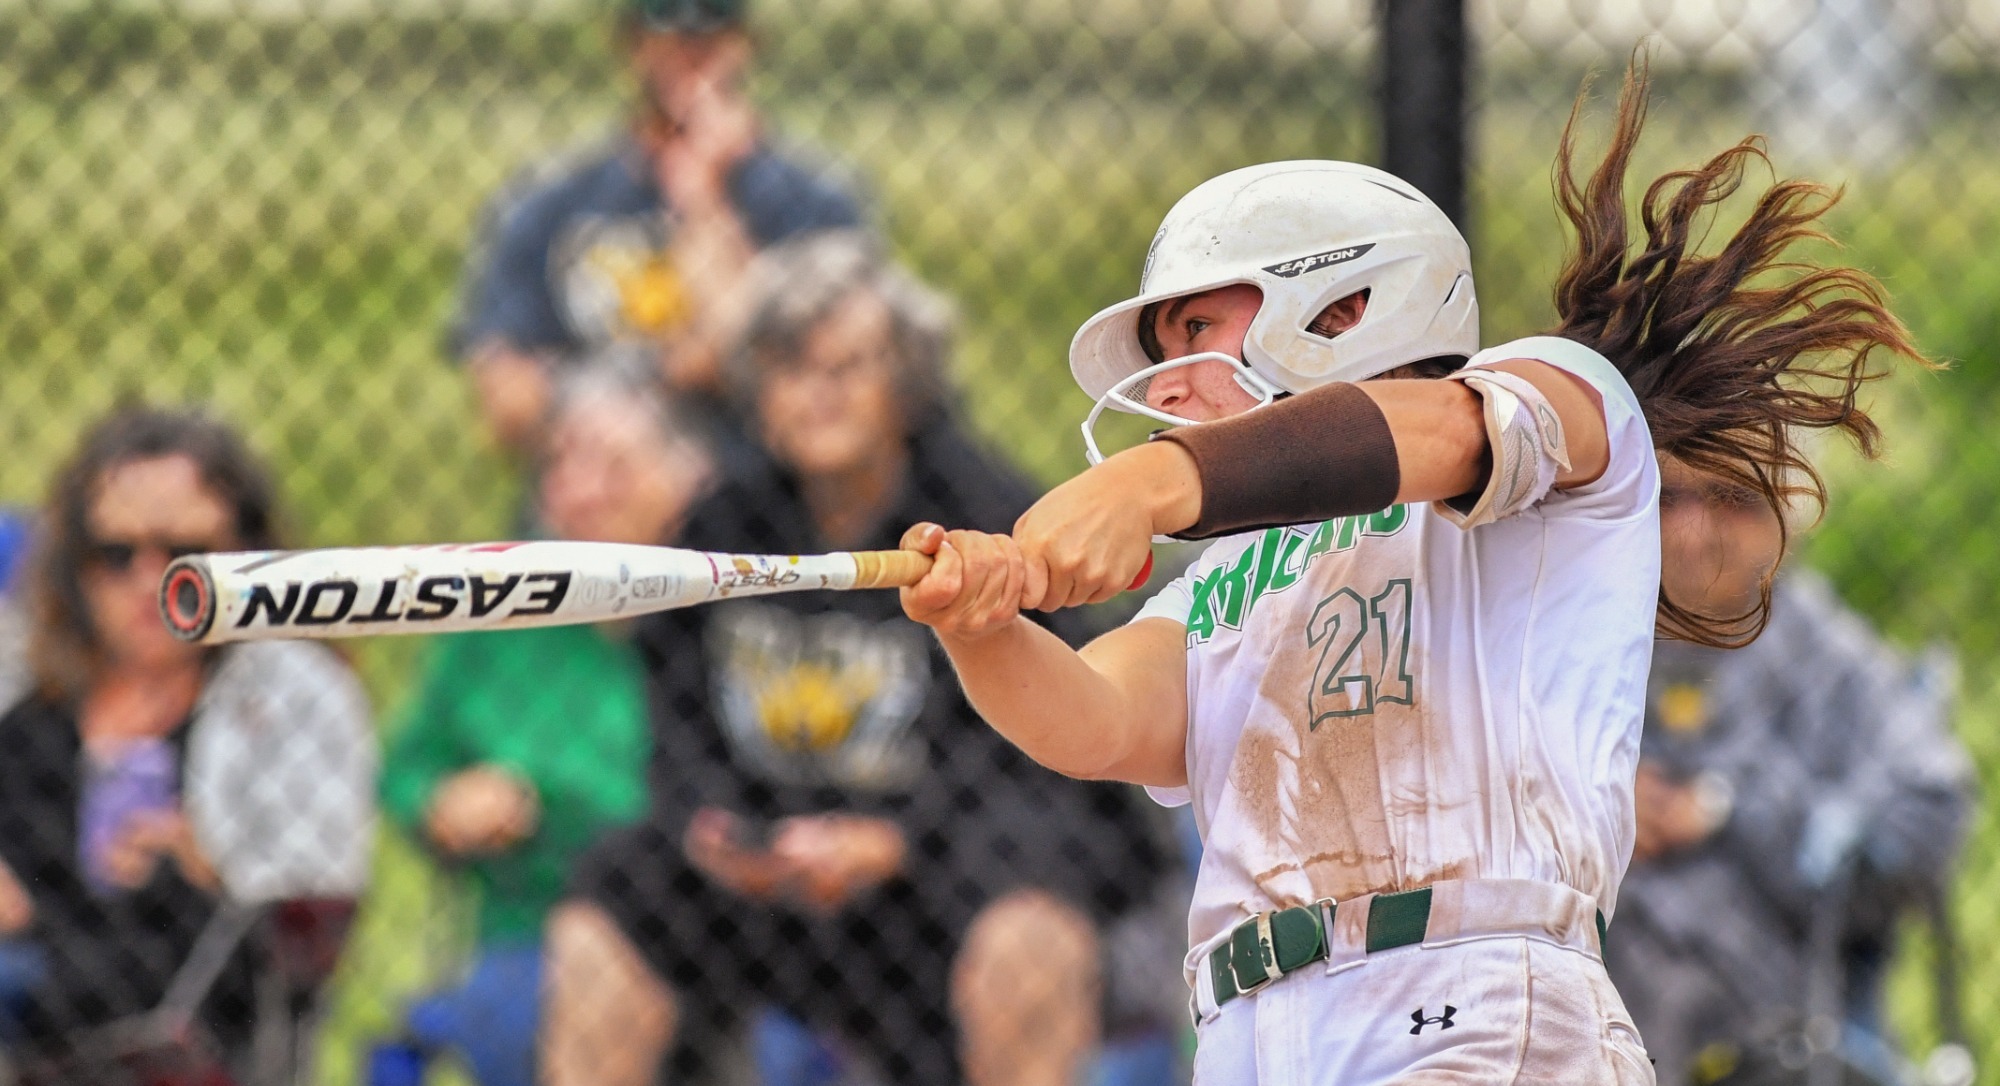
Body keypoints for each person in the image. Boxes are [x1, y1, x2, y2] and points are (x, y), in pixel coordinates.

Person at [891, 54, 1917, 1084]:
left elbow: (1431, 433)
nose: (1167, 387)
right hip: (1257, 1031)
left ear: (1344, 308)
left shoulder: (1548, 405)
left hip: (1470, 997)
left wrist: (1153, 484)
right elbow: (1098, 720)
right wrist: (980, 625)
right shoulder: (1222, 579)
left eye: (1195, 329)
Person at [541, 232, 1177, 1086]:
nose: (820, 394)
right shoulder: (724, 527)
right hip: (772, 874)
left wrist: (894, 839)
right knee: (612, 896)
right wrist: (720, 829)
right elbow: (681, 722)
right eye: (792, 370)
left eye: (847, 368)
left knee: (1028, 918)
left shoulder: (985, 516)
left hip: (946, 867)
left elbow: (1037, 742)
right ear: (756, 390)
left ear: (905, 381)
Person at [0, 407, 375, 1070]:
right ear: (74, 562)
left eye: (184, 556)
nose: (152, 582)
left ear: (242, 555)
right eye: (116, 555)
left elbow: (312, 936)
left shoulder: (294, 697)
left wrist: (211, 866)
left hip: (202, 1025)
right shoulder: (25, 687)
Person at [372, 372, 714, 1086]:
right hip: (533, 928)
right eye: (560, 463)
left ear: (690, 478)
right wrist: (445, 802)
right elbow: (407, 767)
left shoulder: (733, 612)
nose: (580, 491)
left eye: (615, 467)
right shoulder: (500, 611)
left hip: (721, 929)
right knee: (509, 1017)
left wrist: (553, 804)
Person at [1604, 461, 1974, 1085]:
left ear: (1789, 514)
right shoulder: (1572, 631)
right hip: (1584, 1017)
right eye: (1667, 499)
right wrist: (1593, 806)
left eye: (1734, 499)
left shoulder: (1825, 658)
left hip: (1778, 1028)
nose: (1695, 528)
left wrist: (1727, 808)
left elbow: (1930, 807)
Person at [451, 0, 867, 459]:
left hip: (755, 483)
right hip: (593, 479)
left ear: (747, 43)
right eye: (669, 30)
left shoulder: (811, 203)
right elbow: (509, 404)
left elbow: (817, 385)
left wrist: (704, 200)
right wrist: (664, 377)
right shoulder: (550, 202)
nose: (690, 49)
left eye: (710, 31)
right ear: (631, 44)